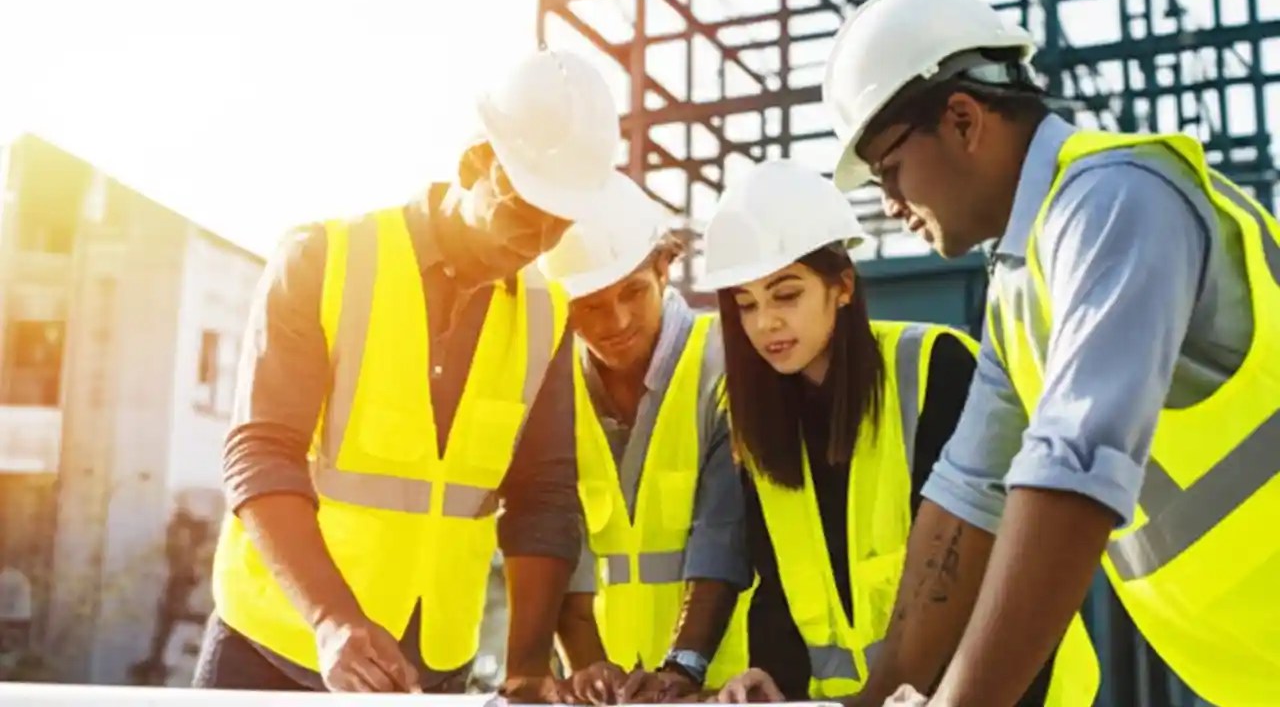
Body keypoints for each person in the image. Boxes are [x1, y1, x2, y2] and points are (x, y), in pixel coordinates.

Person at [820, 0, 1280, 706]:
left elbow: (1073, 464)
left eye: (887, 169)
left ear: (964, 120)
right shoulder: (1019, 283)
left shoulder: (1117, 200)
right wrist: (881, 693)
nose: (888, 202)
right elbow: (967, 494)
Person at [194, 48, 635, 700]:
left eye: (560, 222)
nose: (538, 240)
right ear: (473, 164)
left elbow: (542, 495)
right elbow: (262, 455)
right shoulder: (322, 259)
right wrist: (333, 622)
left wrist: (527, 668)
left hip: (433, 668)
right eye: (525, 207)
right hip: (277, 652)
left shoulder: (545, 312)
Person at [698, 160, 1099, 707]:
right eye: (745, 304)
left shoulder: (933, 367)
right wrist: (771, 678)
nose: (764, 322)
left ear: (841, 287)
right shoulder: (753, 415)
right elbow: (781, 589)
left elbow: (992, 566)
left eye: (785, 294)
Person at [537, 185, 751, 704]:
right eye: (588, 306)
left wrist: (684, 669)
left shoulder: (728, 362)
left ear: (664, 266)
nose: (615, 324)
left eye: (632, 292)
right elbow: (562, 548)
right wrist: (589, 671)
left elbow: (723, 532)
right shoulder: (552, 387)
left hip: (724, 681)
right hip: (615, 689)